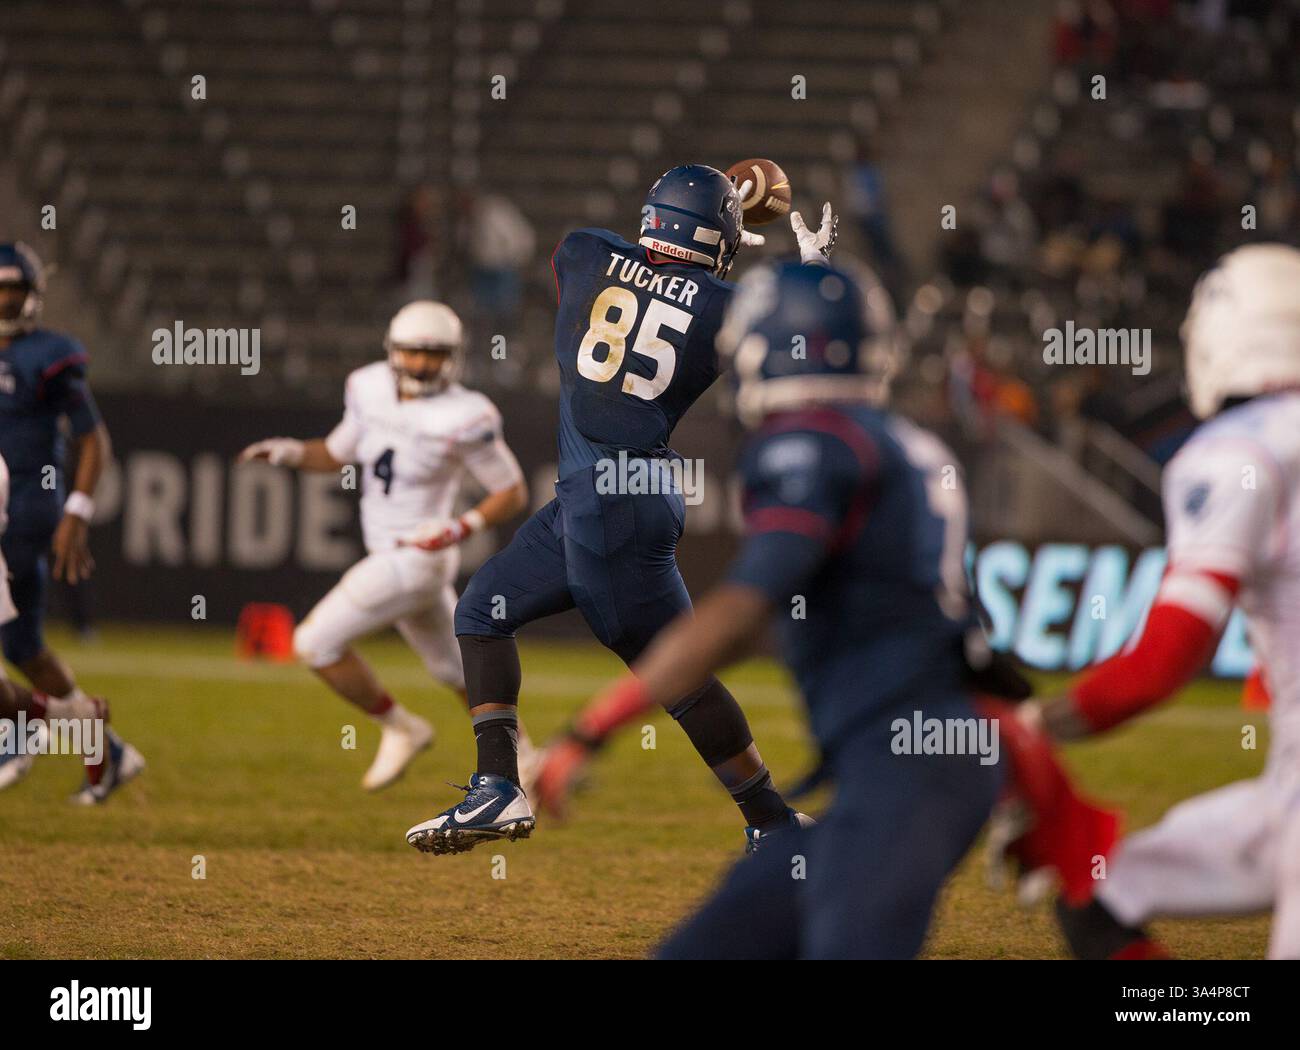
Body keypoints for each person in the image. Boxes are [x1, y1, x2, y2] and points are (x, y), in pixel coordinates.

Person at [404, 164, 838, 855]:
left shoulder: (583, 254)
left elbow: (637, 261)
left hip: (605, 503)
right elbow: (782, 326)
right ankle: (497, 785)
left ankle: (773, 822)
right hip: (618, 498)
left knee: (677, 673)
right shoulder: (728, 306)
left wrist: (711, 200)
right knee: (482, 608)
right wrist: (808, 272)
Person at [1033, 245, 1300, 960]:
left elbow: (1166, 659)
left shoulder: (1237, 452)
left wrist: (1029, 730)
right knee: (1098, 892)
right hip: (1288, 793)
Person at [238, 301, 528, 792]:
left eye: (433, 354)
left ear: (453, 357)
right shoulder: (367, 386)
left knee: (313, 643)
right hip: (390, 554)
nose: (420, 364)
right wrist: (289, 451)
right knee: (456, 670)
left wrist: (459, 527)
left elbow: (512, 490)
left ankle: (400, 726)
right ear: (393, 351)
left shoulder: (466, 414)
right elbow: (334, 453)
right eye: (413, 352)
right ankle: (529, 760)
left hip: (418, 557)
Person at [0, 242, 142, 802]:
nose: (6, 303)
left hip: (28, 506)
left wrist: (77, 512)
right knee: (24, 646)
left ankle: (19, 731)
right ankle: (107, 751)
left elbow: (92, 438)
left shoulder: (50, 354)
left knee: (17, 642)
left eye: (13, 291)